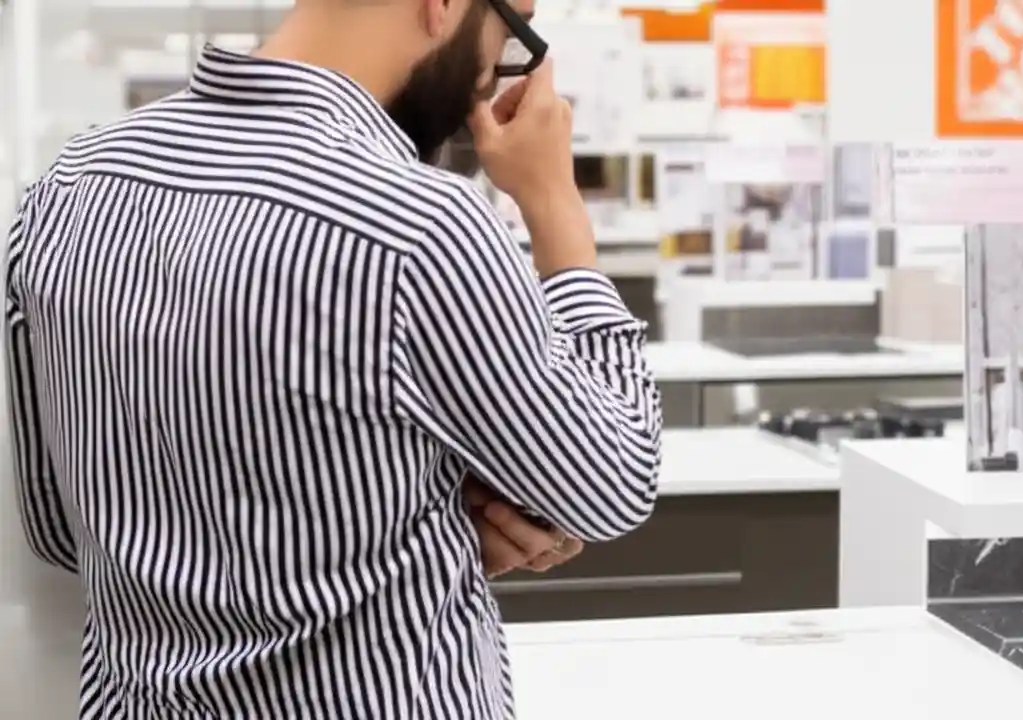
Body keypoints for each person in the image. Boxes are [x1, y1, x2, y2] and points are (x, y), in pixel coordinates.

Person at [4, 0, 663, 717]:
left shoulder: (72, 184)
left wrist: (388, 515)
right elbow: (611, 484)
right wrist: (555, 203)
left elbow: (59, 527)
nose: (494, 71)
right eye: (514, 27)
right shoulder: (419, 225)